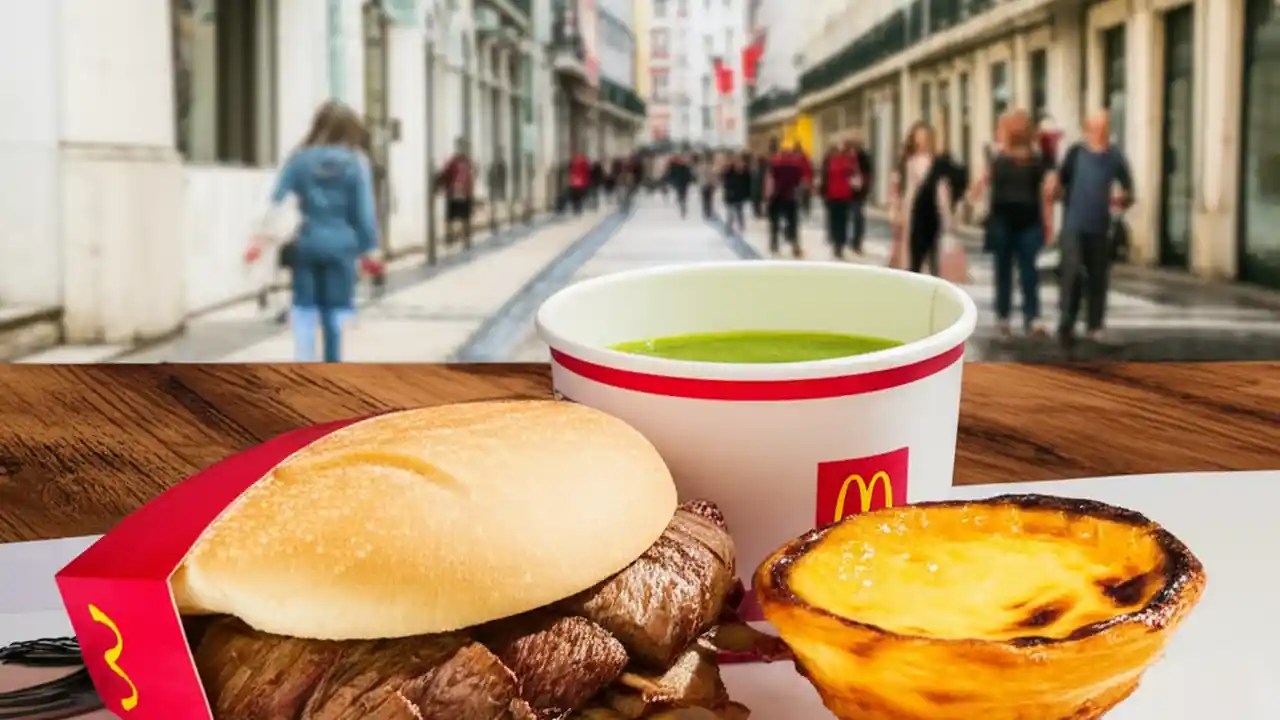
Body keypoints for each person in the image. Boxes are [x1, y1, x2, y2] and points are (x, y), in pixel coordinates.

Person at [246, 101, 382, 363]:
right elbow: (364, 212)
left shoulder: (300, 160)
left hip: (306, 244)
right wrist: (369, 249)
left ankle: (305, 367)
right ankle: (332, 365)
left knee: (305, 310)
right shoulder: (356, 163)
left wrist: (262, 238)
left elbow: (276, 200)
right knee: (335, 311)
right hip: (342, 247)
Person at [972, 110, 1057, 337]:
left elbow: (1046, 195)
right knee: (1005, 271)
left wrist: (1048, 223)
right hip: (1002, 222)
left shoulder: (1038, 160)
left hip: (1028, 222)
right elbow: (978, 188)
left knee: (1026, 270)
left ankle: (1029, 317)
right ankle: (1005, 317)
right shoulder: (996, 157)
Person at [1057, 110, 1135, 347]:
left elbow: (1129, 190)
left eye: (1102, 128)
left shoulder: (1115, 157)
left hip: (1100, 227)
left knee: (1098, 277)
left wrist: (1123, 198)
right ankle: (1067, 322)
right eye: (1094, 127)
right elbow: (1061, 183)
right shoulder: (1075, 154)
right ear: (1086, 129)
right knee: (1072, 273)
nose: (1098, 132)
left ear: (1108, 129)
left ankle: (1094, 325)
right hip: (1073, 225)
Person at [889, 123, 955, 275]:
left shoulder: (937, 162)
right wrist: (895, 209)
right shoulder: (906, 162)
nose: (922, 142)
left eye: (925, 138)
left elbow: (943, 189)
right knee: (913, 255)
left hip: (933, 210)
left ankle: (934, 284)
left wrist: (948, 215)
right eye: (919, 138)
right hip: (912, 210)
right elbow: (896, 186)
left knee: (934, 254)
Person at [764, 138, 806, 258]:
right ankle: (795, 246)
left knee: (774, 222)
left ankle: (774, 244)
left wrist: (767, 196)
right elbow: (799, 181)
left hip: (776, 196)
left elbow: (769, 179)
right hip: (790, 197)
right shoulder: (796, 163)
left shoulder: (774, 161)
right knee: (792, 222)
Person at [819, 139, 858, 259]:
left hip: (843, 196)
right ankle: (837, 243)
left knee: (842, 221)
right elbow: (824, 177)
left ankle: (839, 244)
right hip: (833, 195)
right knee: (835, 221)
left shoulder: (849, 161)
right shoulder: (830, 161)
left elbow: (854, 176)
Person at [436, 138, 476, 248]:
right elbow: (445, 174)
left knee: (463, 218)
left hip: (461, 193)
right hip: (455, 193)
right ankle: (452, 237)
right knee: (453, 217)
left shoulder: (466, 162)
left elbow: (471, 178)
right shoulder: (454, 161)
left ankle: (464, 238)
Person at [849, 138, 873, 255]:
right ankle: (851, 241)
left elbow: (868, 174)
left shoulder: (864, 157)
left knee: (857, 217)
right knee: (852, 218)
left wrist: (865, 189)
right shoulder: (847, 157)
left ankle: (857, 242)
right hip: (846, 193)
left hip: (858, 194)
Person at [721, 152, 752, 233]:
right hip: (730, 196)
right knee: (730, 214)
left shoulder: (746, 173)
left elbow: (748, 186)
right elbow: (725, 183)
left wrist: (748, 195)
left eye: (740, 162)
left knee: (740, 213)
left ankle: (741, 227)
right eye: (737, 162)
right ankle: (729, 229)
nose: (739, 164)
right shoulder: (729, 172)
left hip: (740, 197)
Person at [666, 153, 694, 218]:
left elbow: (689, 175)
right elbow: (671, 175)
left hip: (683, 183)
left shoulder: (684, 166)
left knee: (683, 195)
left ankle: (683, 207)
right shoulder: (674, 166)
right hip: (678, 183)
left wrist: (689, 180)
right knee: (680, 195)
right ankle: (682, 205)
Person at [568, 150, 592, 215]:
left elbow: (571, 171)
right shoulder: (584, 162)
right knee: (579, 197)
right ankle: (578, 208)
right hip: (581, 183)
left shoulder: (574, 162)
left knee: (575, 197)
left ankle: (576, 208)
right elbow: (587, 172)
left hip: (575, 183)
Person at [699, 152, 718, 220]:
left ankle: (707, 212)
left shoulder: (702, 166)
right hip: (707, 185)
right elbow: (713, 177)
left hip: (705, 185)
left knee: (706, 200)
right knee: (708, 200)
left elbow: (713, 177)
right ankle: (708, 212)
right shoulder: (710, 167)